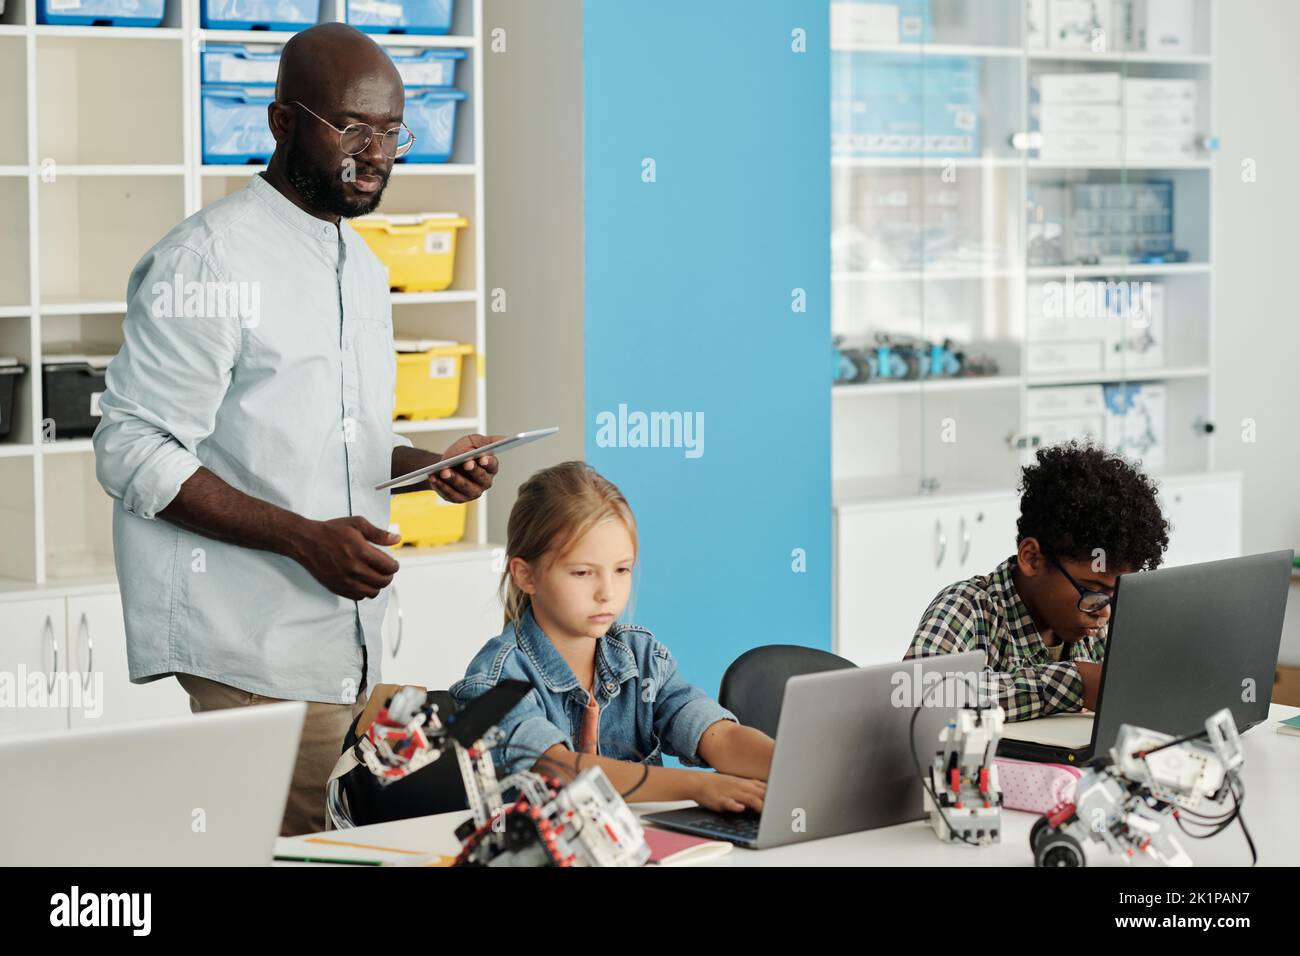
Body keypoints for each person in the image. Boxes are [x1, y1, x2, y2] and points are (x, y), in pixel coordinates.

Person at [92, 23, 502, 835]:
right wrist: (303, 538)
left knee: (362, 844)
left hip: (347, 645)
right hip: (253, 648)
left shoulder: (364, 265)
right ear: (282, 124)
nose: (377, 153)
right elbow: (132, 447)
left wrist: (427, 467)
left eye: (391, 131)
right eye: (353, 128)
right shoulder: (207, 262)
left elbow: (326, 436)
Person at [451, 462, 775, 813]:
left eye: (622, 569)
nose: (607, 592)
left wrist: (795, 768)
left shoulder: (643, 657)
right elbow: (556, 768)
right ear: (526, 576)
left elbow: (719, 737)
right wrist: (698, 785)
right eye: (582, 573)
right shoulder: (497, 678)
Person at [904, 441, 1170, 722]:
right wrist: (1075, 684)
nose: (1104, 612)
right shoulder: (968, 608)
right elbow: (917, 696)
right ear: (1032, 559)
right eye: (1093, 591)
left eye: (1113, 596)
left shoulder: (1099, 622)